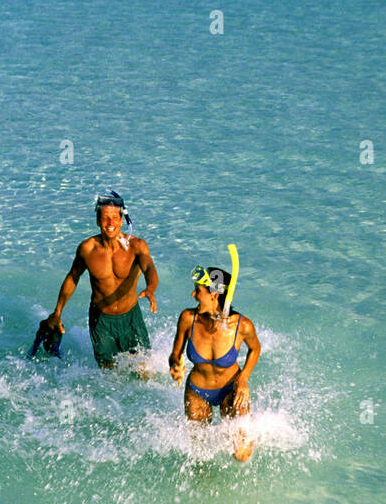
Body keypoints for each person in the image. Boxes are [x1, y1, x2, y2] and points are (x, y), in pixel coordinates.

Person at [39, 191, 158, 368]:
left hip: (131, 318)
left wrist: (150, 288)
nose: (110, 223)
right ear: (97, 221)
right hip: (101, 320)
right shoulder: (87, 249)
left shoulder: (136, 246)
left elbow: (149, 267)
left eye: (114, 218)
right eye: (105, 218)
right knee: (107, 376)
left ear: (121, 220)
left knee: (143, 372)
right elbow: (72, 278)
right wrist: (57, 313)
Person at [169, 265, 261, 462]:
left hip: (231, 391)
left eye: (199, 291)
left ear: (214, 295)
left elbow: (255, 349)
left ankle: (255, 433)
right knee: (199, 457)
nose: (193, 294)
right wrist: (175, 366)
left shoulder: (242, 325)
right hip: (197, 393)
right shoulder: (188, 318)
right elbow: (174, 355)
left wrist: (243, 380)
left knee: (241, 454)